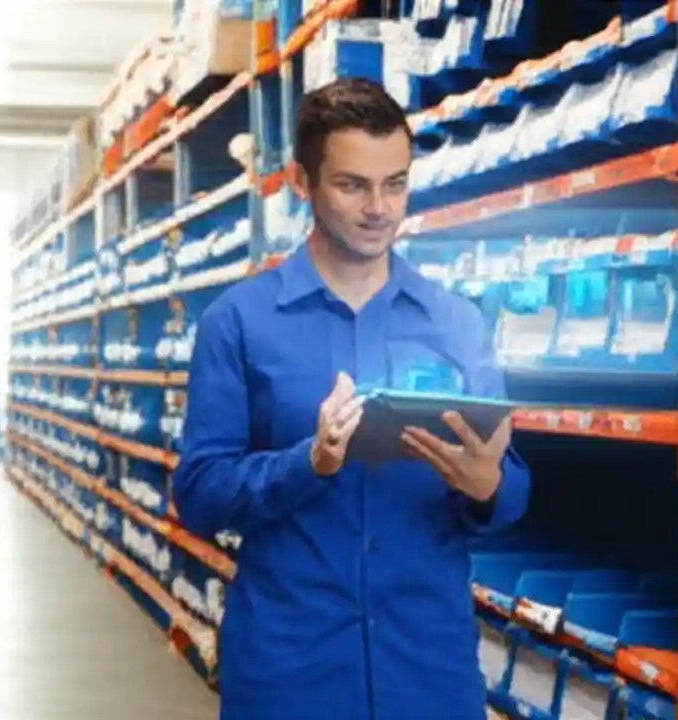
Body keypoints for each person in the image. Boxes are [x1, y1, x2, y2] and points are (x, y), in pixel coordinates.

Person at [172, 78, 532, 720]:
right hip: (291, 675)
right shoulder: (240, 322)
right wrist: (305, 463)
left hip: (427, 672)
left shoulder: (454, 322)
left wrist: (488, 486)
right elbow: (198, 495)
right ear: (301, 184)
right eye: (352, 185)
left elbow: (510, 486)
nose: (379, 208)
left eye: (395, 183)